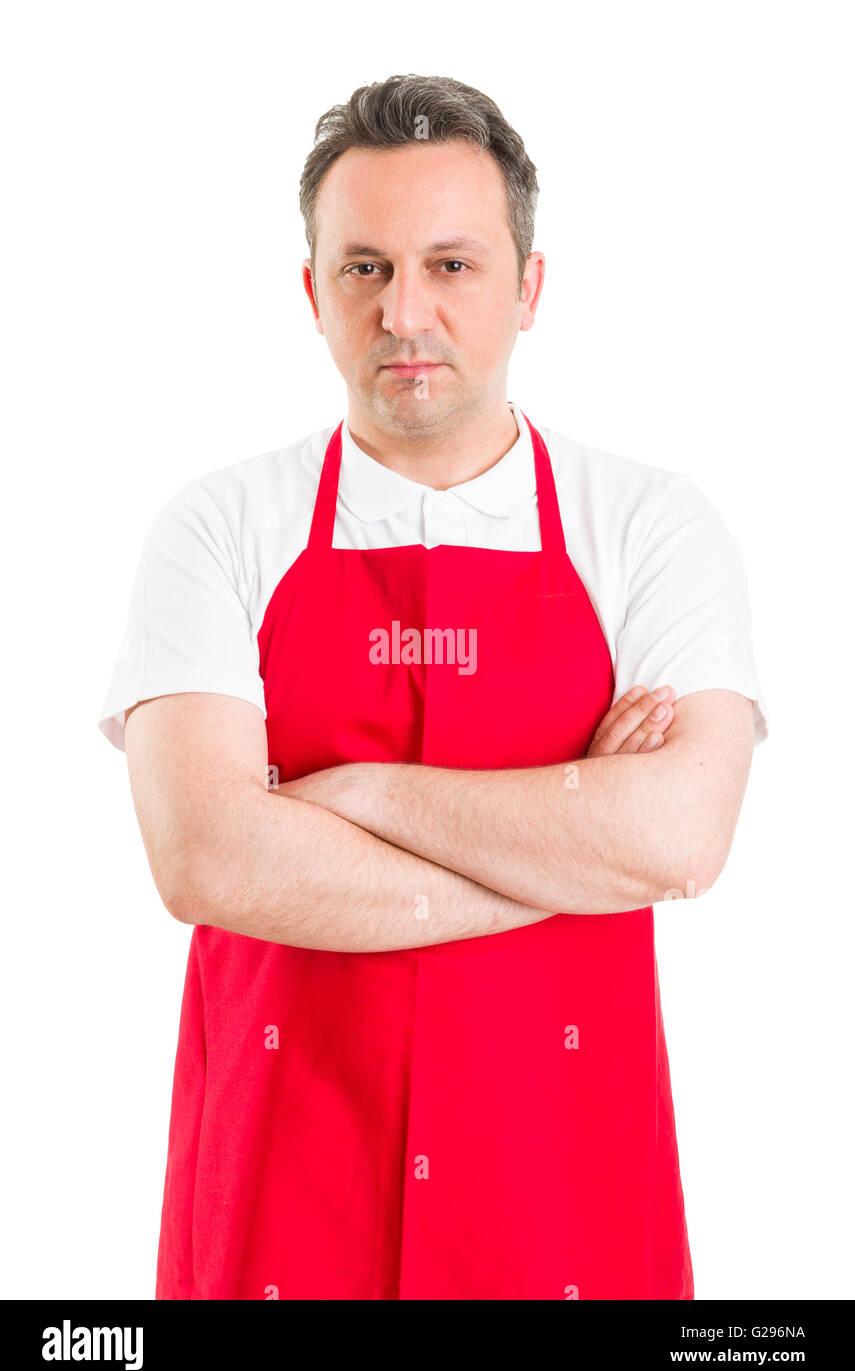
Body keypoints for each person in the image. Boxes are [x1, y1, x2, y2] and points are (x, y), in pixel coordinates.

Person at [98, 73, 768, 1301]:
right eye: (364, 268)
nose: (405, 311)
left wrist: (335, 796)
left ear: (529, 287)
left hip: (562, 1209)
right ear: (311, 294)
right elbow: (206, 860)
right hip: (277, 1203)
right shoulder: (216, 529)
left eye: (450, 266)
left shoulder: (651, 526)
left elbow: (674, 837)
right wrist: (566, 852)